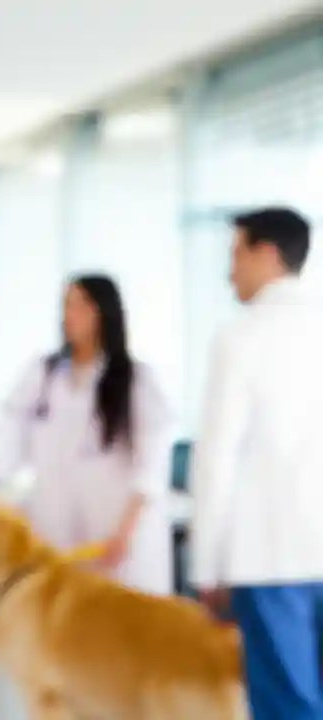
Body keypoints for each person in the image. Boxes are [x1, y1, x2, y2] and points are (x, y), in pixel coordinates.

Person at [190, 208, 323, 719]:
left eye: (235, 255)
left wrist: (205, 566)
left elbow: (215, 458)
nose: (230, 272)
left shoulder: (241, 336)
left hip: (270, 559)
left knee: (287, 705)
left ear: (267, 254)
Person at [0, 275, 174, 594]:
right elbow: (7, 439)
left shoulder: (137, 380)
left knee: (126, 630)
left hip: (118, 534)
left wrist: (125, 534)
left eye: (80, 304)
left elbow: (151, 467)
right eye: (66, 304)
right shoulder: (43, 374)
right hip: (56, 530)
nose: (69, 314)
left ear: (105, 312)